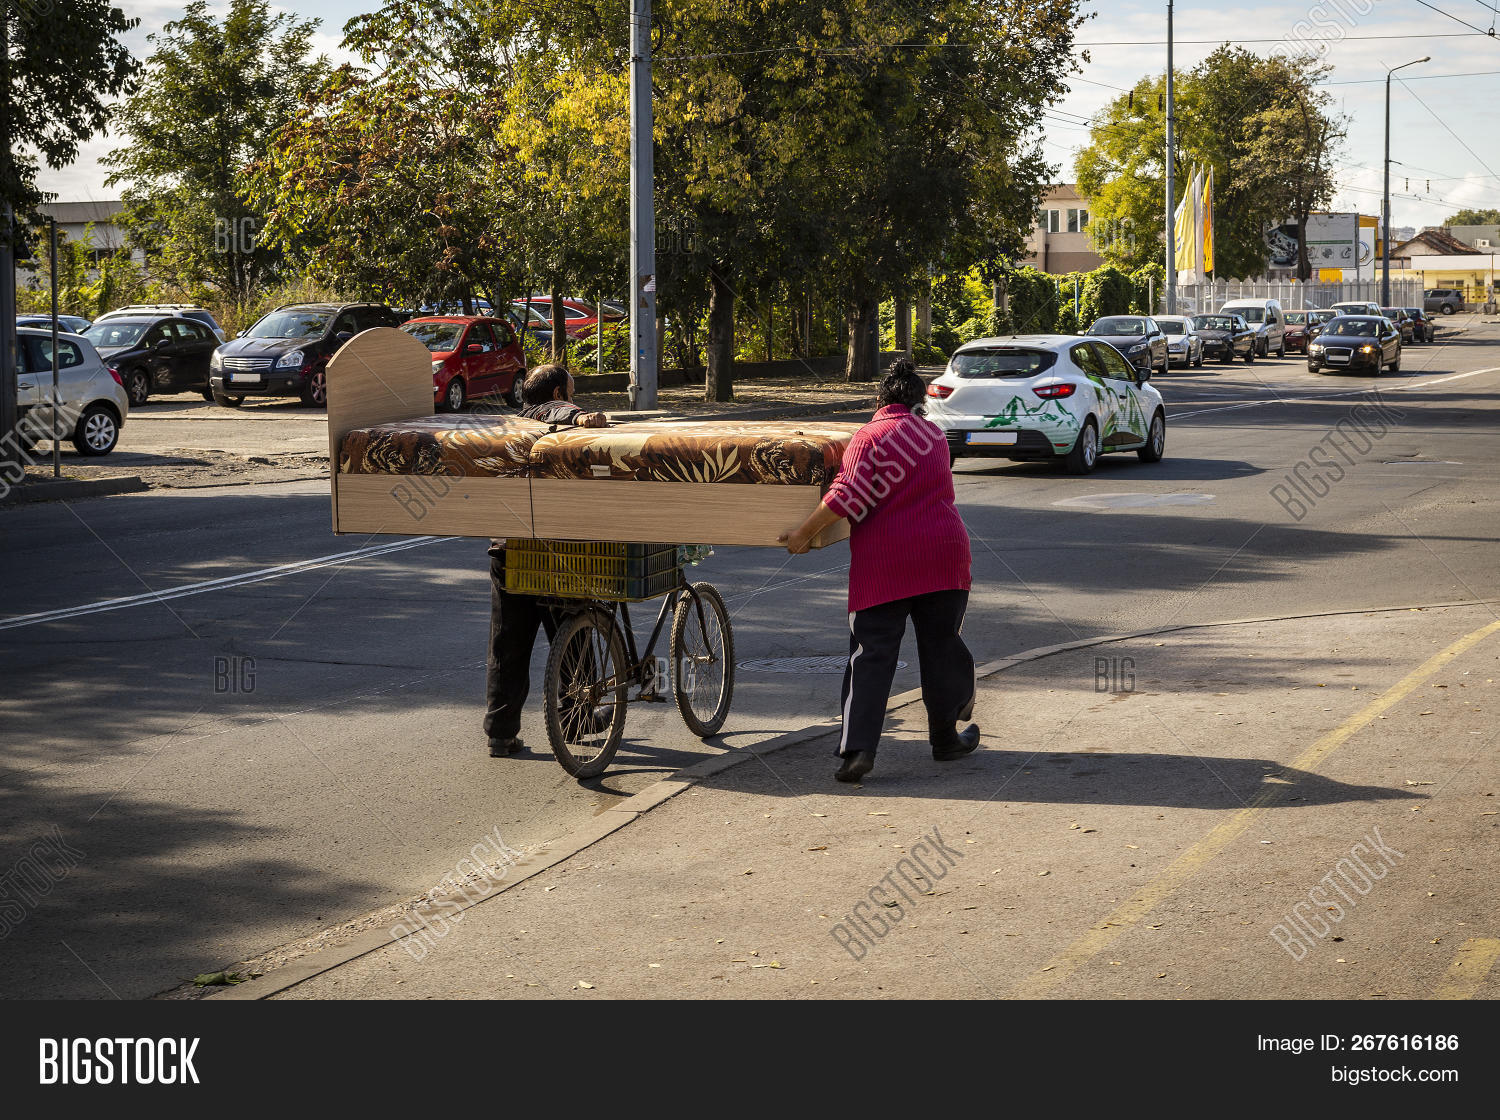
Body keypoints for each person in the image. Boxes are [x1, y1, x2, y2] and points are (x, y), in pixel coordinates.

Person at [779, 358, 977, 783]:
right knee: (942, 646)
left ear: (879, 399)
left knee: (871, 655)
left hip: (886, 563)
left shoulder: (868, 436)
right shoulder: (934, 437)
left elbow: (847, 494)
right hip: (944, 554)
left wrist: (802, 533)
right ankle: (945, 738)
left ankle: (858, 752)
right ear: (920, 400)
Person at [485, 364, 609, 756]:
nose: (572, 400)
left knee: (508, 644)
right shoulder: (553, 417)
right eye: (570, 393)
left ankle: (500, 733)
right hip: (554, 552)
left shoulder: (508, 424)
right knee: (574, 630)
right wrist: (580, 416)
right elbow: (555, 413)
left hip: (506, 548)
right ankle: (578, 716)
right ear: (558, 393)